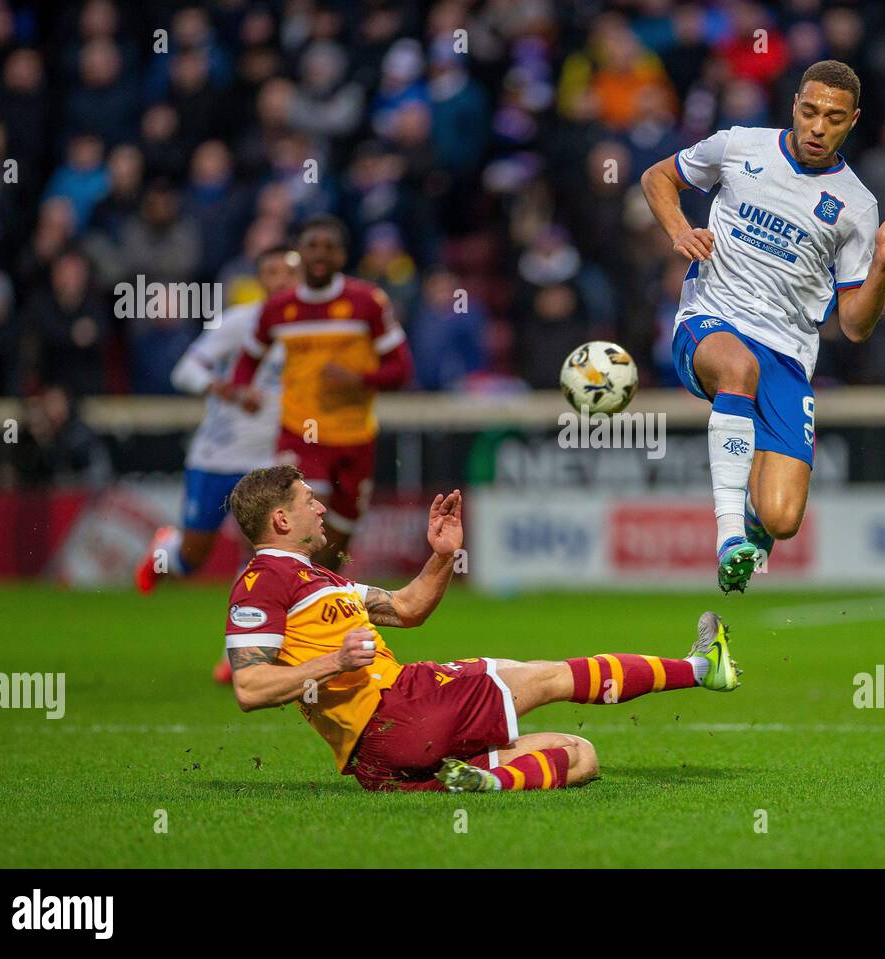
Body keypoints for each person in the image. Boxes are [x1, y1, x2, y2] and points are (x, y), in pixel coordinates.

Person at [223, 465, 741, 793]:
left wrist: (442, 556)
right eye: (307, 500)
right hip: (399, 710)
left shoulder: (318, 578)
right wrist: (334, 662)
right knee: (547, 676)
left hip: (381, 760)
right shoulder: (263, 580)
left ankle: (483, 783)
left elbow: (407, 609)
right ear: (281, 521)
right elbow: (249, 687)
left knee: (580, 755)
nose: (320, 507)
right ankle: (700, 668)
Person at [640, 59, 885, 593]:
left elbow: (856, 326)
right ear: (794, 105)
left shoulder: (857, 206)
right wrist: (679, 230)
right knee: (737, 367)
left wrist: (881, 262)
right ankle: (726, 538)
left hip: (787, 354)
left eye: (832, 118)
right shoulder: (738, 145)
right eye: (809, 111)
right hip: (710, 320)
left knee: (783, 518)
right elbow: (657, 177)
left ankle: (753, 525)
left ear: (852, 121)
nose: (817, 126)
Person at [135, 245, 300, 680]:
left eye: (288, 273)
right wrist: (227, 390)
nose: (280, 281)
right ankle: (165, 550)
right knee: (192, 559)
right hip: (217, 455)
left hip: (270, 461)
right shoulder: (240, 324)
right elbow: (184, 371)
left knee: (266, 556)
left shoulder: (309, 330)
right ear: (261, 279)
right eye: (271, 272)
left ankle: (243, 655)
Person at [229, 214, 413, 570]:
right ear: (298, 254)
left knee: (339, 538)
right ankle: (273, 593)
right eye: (311, 246)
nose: (320, 254)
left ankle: (318, 600)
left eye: (329, 248)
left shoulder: (367, 302)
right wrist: (243, 391)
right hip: (300, 431)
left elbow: (401, 370)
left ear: (343, 256)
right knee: (303, 517)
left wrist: (358, 379)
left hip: (355, 434)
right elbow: (248, 360)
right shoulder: (279, 309)